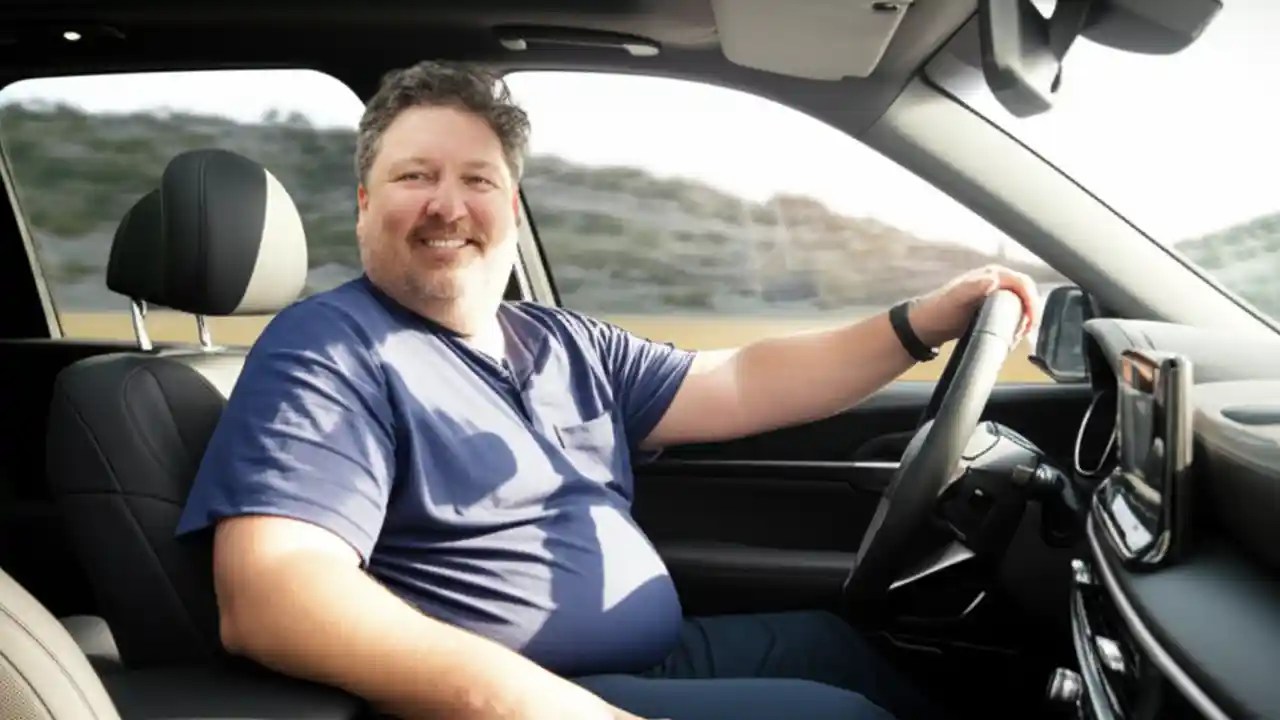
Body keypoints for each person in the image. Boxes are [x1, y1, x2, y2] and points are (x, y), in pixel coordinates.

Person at [176, 61, 1040, 720]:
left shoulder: (556, 339)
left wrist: (921, 322)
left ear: (510, 205)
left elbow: (739, 381)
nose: (448, 204)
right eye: (413, 177)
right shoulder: (329, 349)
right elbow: (273, 596)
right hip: (526, 699)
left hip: (644, 663)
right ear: (365, 204)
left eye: (477, 179)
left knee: (859, 655)